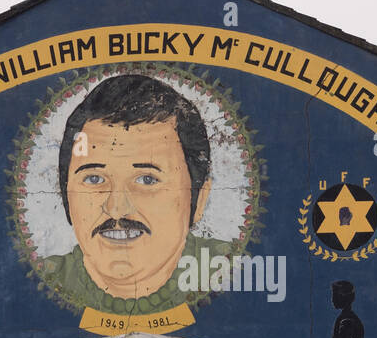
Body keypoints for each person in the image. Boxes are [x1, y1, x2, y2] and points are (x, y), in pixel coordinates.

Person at [40, 74, 233, 315]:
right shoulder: (40, 283)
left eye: (147, 180)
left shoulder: (237, 272)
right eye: (94, 179)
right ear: (66, 196)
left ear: (199, 199)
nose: (117, 208)